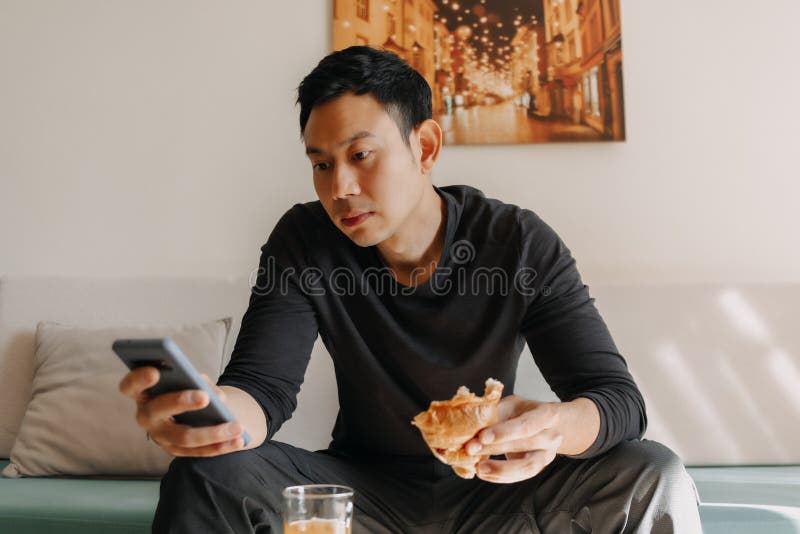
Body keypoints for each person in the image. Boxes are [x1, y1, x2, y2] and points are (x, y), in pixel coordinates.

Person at [119, 46, 702, 533]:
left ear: (423, 147)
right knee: (207, 476)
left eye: (361, 155)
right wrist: (216, 419)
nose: (340, 186)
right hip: (360, 492)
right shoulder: (304, 239)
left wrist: (548, 428)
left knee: (653, 472)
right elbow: (264, 390)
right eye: (321, 164)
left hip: (497, 494)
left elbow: (617, 401)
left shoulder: (517, 243)